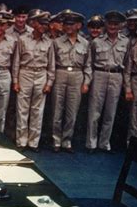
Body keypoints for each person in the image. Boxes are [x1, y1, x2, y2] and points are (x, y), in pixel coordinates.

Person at [86, 11, 129, 154]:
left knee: (110, 112)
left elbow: (127, 63)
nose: (112, 26)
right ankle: (91, 144)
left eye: (116, 24)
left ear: (121, 26)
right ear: (106, 24)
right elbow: (90, 63)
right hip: (99, 74)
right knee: (94, 111)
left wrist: (125, 84)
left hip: (116, 76)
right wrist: (89, 80)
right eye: (110, 23)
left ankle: (104, 144)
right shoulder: (96, 41)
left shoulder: (125, 41)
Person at [13, 9, 55, 153]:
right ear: (34, 23)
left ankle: (33, 143)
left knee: (37, 110)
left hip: (41, 74)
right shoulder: (23, 39)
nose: (44, 26)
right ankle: (22, 141)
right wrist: (15, 81)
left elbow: (51, 65)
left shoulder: (49, 42)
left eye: (46, 24)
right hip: (25, 73)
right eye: (41, 23)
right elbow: (17, 62)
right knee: (22, 109)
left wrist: (49, 83)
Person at [50, 11, 91, 153]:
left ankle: (67, 141)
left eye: (71, 24)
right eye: (66, 24)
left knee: (72, 111)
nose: (68, 27)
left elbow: (88, 64)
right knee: (57, 109)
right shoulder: (56, 42)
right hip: (60, 73)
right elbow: (52, 63)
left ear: (79, 25)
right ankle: (56, 140)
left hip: (77, 75)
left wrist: (86, 82)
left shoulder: (85, 43)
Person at [124, 31, 137, 144]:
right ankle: (131, 147)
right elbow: (127, 72)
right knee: (134, 117)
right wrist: (128, 90)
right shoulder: (135, 50)